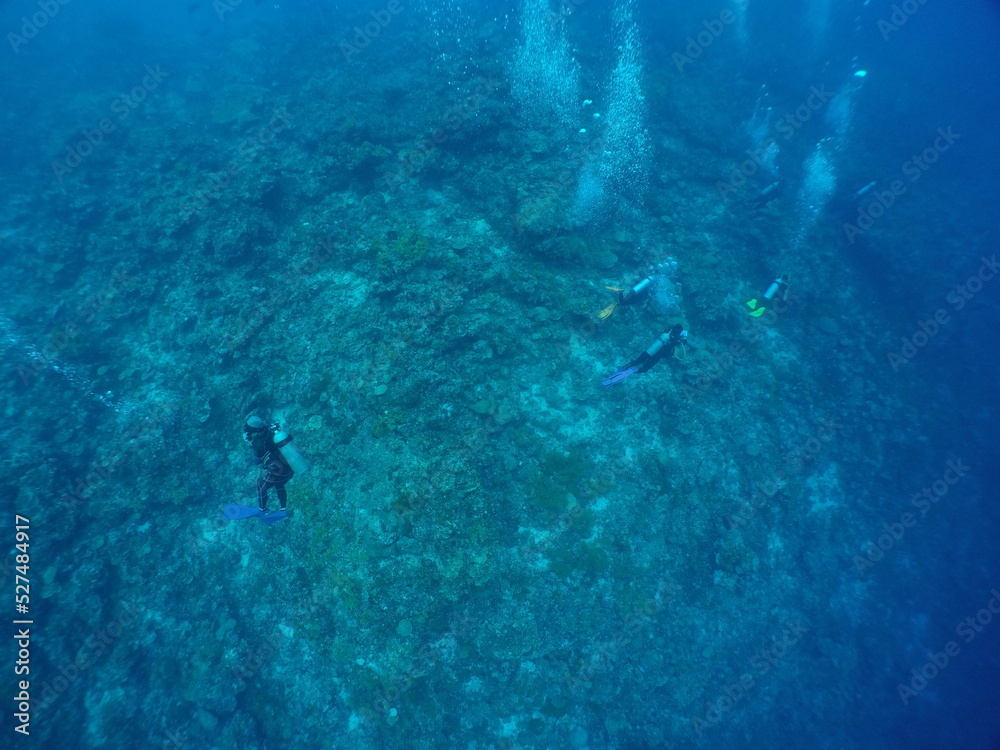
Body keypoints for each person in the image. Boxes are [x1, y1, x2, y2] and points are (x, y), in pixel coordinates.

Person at [602, 324, 688, 386]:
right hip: (656, 356)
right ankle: (632, 371)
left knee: (637, 361)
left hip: (649, 351)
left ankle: (624, 367)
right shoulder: (675, 340)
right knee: (644, 369)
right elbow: (668, 353)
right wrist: (681, 340)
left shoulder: (667, 332)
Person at [243, 416, 293, 514]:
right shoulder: (271, 431)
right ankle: (283, 508)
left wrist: (251, 446)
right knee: (279, 483)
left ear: (254, 431)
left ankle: (262, 509)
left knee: (261, 486)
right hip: (290, 469)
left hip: (280, 472)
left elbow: (256, 461)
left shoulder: (257, 444)